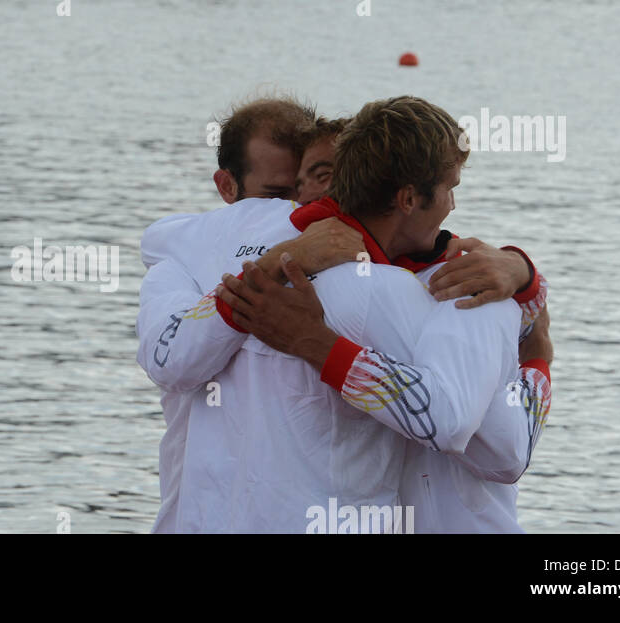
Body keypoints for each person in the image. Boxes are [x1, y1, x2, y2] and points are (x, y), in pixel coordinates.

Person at [137, 96, 549, 532]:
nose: (298, 201)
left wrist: (525, 278)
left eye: (325, 176)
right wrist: (539, 356)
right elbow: (501, 447)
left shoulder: (445, 284)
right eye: (282, 192)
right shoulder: (400, 291)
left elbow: (486, 443)